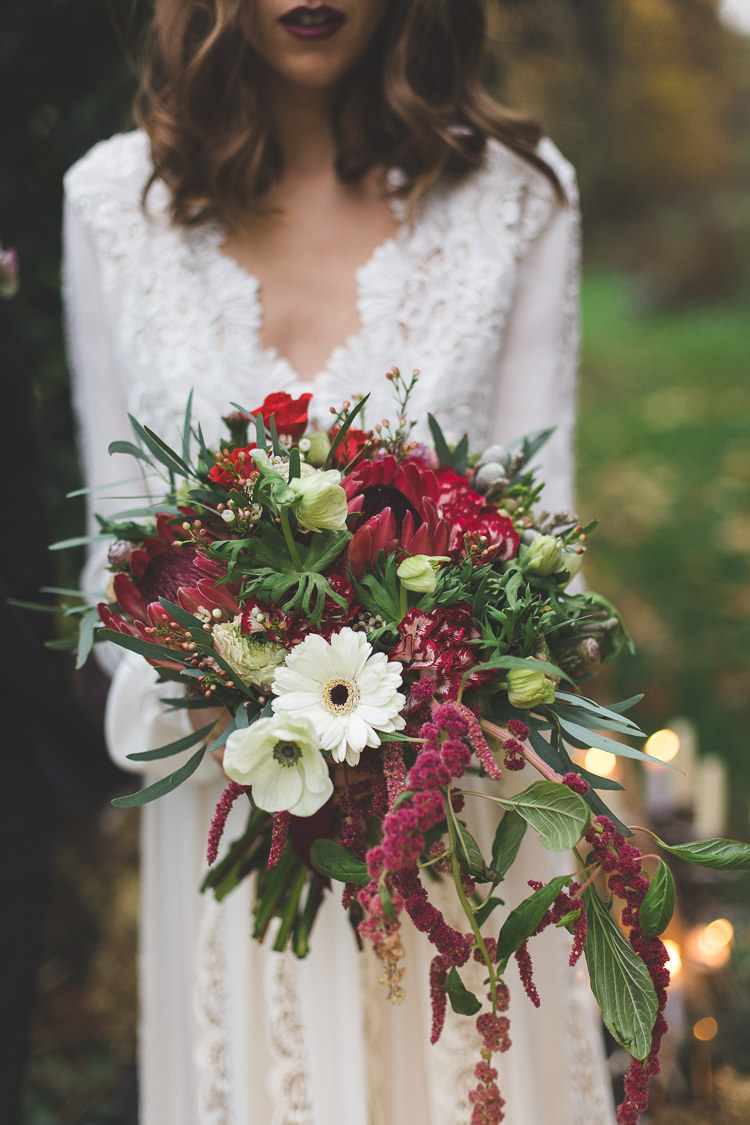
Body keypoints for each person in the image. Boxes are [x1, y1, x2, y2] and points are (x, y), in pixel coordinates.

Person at [63, 1, 616, 1122]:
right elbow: (117, 559)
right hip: (232, 804)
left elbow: (538, 535)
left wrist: (439, 674)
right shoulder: (111, 203)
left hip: (462, 811)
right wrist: (227, 682)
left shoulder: (518, 193)